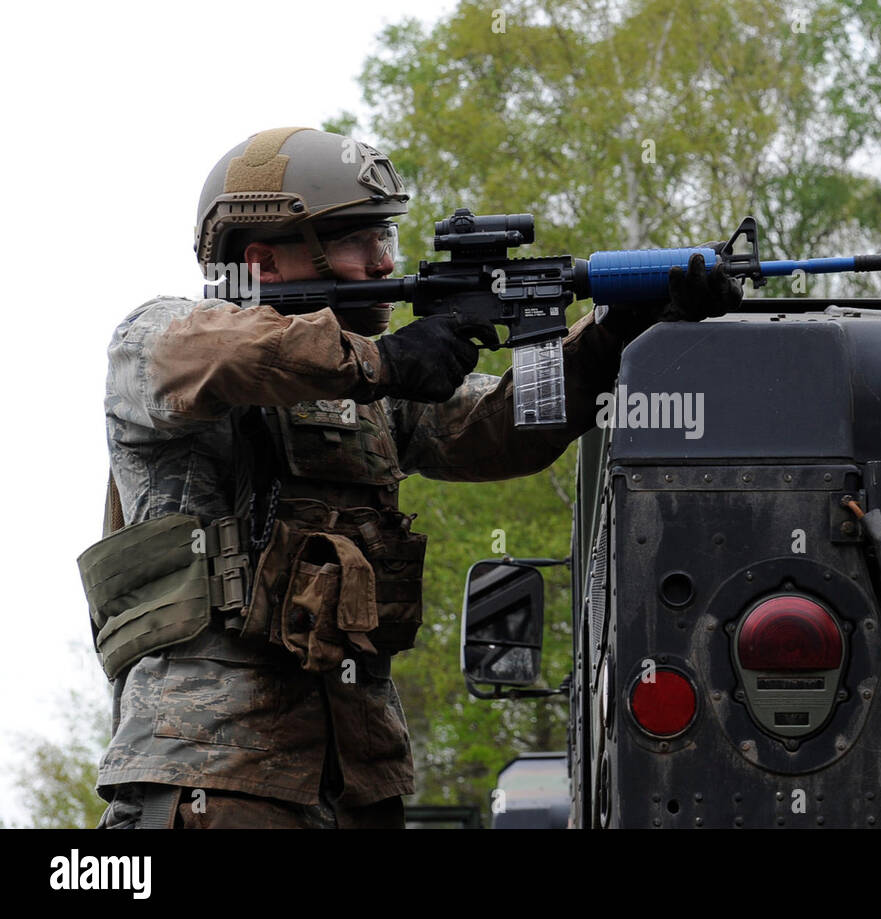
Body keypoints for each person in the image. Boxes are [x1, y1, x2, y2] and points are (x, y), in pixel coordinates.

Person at [81, 126, 741, 828]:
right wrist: (382, 361)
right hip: (213, 778)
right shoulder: (155, 344)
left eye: (385, 237)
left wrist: (612, 335)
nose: (381, 261)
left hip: (360, 785)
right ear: (262, 260)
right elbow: (225, 352)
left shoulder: (368, 398)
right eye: (354, 240)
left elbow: (500, 427)